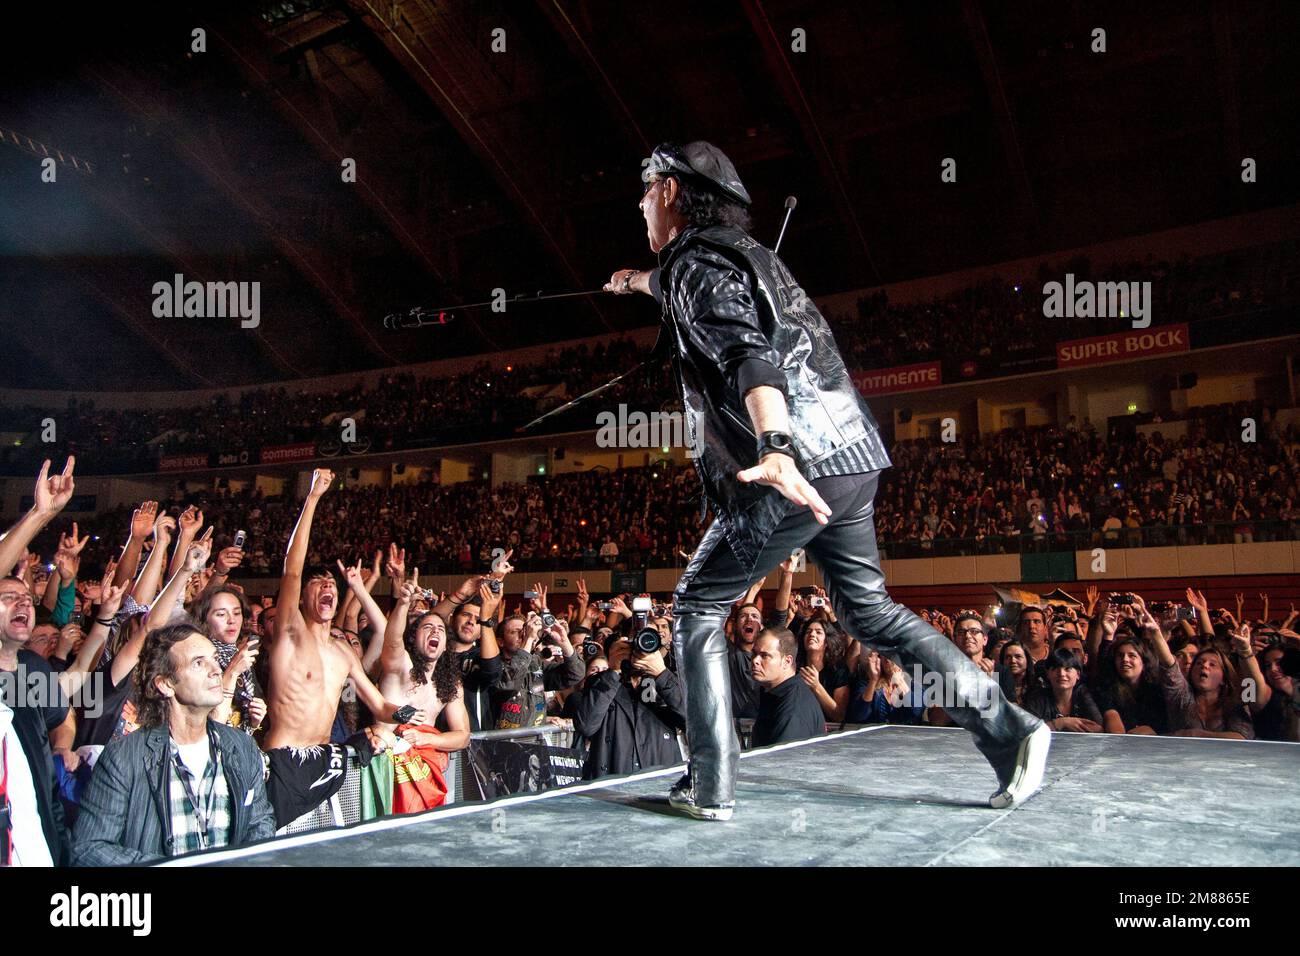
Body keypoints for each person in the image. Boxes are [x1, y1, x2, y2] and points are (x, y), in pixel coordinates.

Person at [606, 140, 1045, 819]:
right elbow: (690, 294)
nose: (639, 206)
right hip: (852, 457)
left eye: (644, 193)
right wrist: (636, 280)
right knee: (869, 612)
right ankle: (1012, 732)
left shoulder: (694, 263)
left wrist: (776, 445)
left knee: (696, 606)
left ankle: (710, 785)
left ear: (668, 190)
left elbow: (749, 354)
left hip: (797, 465)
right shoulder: (737, 258)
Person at [262, 469, 422, 829]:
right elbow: (292, 570)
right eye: (317, 584)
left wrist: (405, 714)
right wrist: (314, 498)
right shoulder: (290, 634)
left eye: (330, 584)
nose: (326, 588)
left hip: (324, 763)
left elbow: (379, 704)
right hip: (283, 761)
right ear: (303, 597)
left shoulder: (343, 652)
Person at [70, 623, 276, 864]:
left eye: (215, 659)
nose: (216, 670)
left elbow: (260, 824)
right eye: (198, 663)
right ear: (165, 683)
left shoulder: (241, 746)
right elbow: (89, 848)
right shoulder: (125, 757)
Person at [375, 569, 474, 812]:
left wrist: (427, 739)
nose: (435, 633)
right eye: (427, 628)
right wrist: (403, 604)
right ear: (413, 638)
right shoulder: (402, 668)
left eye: (440, 630)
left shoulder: (449, 683)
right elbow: (392, 641)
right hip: (385, 770)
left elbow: (462, 736)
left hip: (424, 774)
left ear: (444, 646)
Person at [571, 633, 687, 779]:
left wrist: (661, 674)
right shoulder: (599, 682)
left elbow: (693, 724)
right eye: (627, 647)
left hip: (660, 778)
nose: (636, 652)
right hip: (611, 781)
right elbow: (586, 726)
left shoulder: (666, 682)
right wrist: (613, 671)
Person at [751, 627, 826, 747]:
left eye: (764, 656)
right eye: (754, 653)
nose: (755, 660)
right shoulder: (775, 694)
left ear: (787, 661)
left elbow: (783, 761)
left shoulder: (794, 707)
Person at [1024, 650, 1103, 732]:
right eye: (1055, 668)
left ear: (1078, 674)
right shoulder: (1037, 697)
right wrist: (1061, 723)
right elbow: (1029, 731)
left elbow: (1099, 728)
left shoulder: (1083, 694)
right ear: (1048, 674)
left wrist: (1049, 726)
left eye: (1068, 669)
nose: (1061, 674)